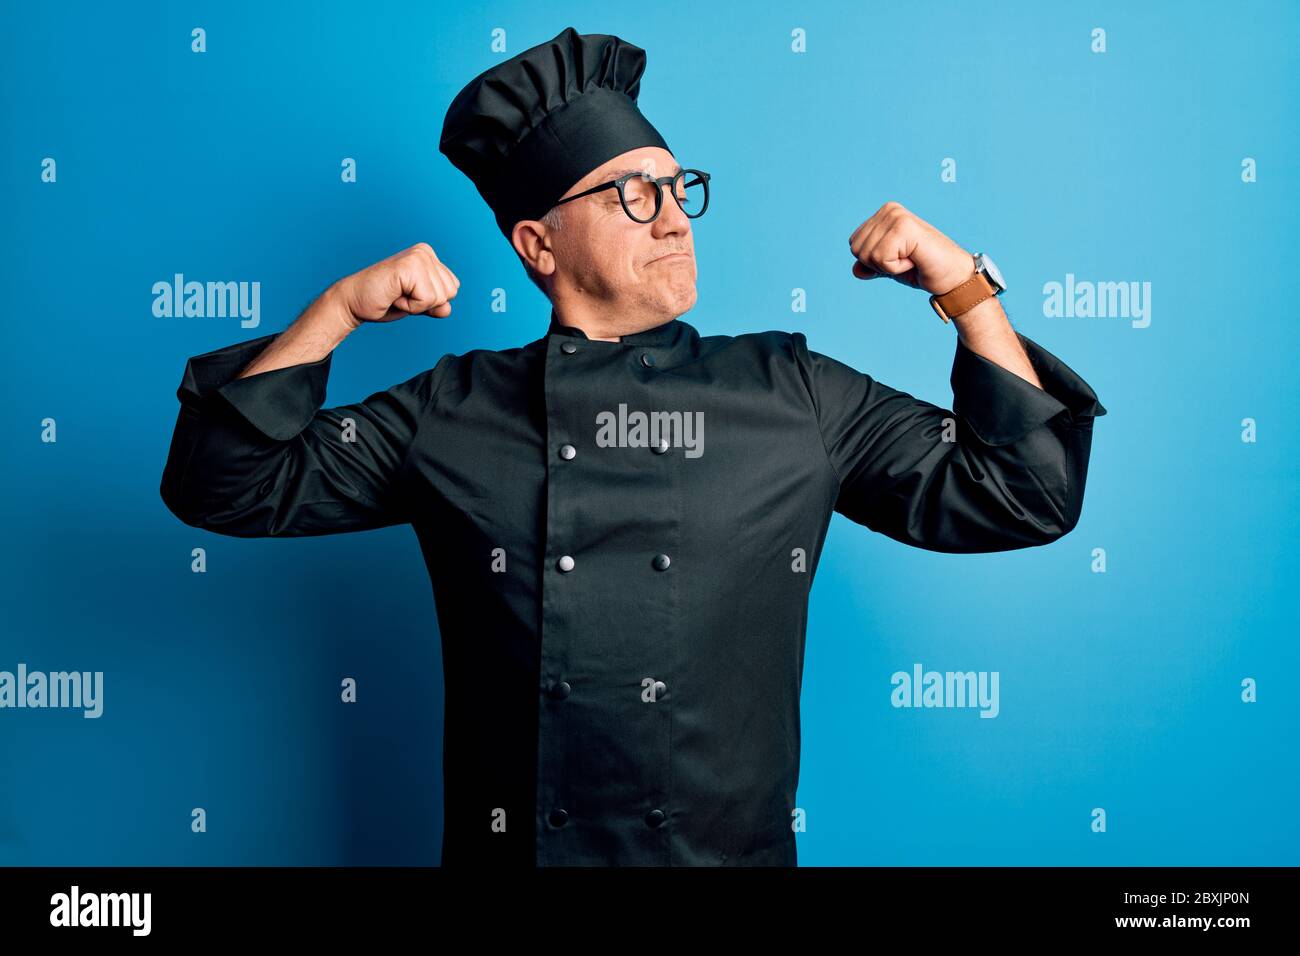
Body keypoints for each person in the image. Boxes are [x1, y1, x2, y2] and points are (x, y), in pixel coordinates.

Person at [159, 26, 1107, 866]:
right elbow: (226, 486)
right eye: (634, 194)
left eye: (679, 187)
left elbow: (1023, 494)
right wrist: (334, 315)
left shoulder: (794, 392)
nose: (675, 214)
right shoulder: (452, 408)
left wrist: (968, 291)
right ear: (539, 244)